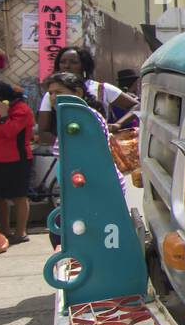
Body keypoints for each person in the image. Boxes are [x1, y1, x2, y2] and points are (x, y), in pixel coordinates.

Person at [42, 71, 125, 248]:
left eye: (59, 92)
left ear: (78, 92)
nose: (53, 97)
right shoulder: (71, 117)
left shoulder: (83, 118)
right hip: (85, 189)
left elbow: (87, 160)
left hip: (96, 189)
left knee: (92, 244)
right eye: (50, 93)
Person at [35, 46, 137, 143]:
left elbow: (137, 106)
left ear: (84, 65)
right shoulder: (52, 94)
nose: (67, 66)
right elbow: (43, 132)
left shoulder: (102, 88)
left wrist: (118, 124)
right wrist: (70, 145)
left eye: (73, 62)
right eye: (62, 62)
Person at [0, 82, 35, 245]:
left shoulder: (22, 110)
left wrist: (4, 116)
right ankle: (4, 230)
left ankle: (20, 232)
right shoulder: (0, 110)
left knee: (19, 196)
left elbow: (10, 131)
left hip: (17, 160)